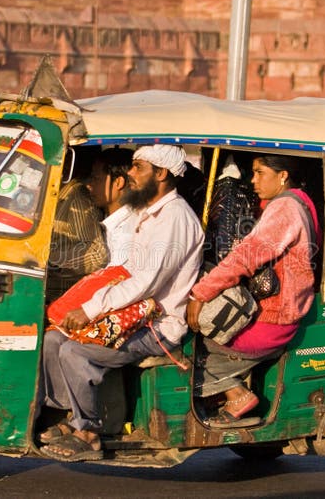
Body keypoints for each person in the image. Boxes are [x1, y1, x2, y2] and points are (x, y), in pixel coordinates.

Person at [40, 144, 204, 461]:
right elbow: (124, 271)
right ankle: (68, 416)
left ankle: (89, 433)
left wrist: (90, 309)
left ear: (161, 174)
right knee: (52, 339)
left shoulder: (175, 218)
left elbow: (145, 283)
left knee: (75, 352)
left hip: (157, 326)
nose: (130, 174)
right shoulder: (147, 212)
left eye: (138, 167)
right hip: (130, 313)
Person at [186, 155, 321, 428]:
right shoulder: (300, 201)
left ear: (283, 175)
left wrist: (200, 293)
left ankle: (236, 394)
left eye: (260, 173)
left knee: (190, 343)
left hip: (273, 319)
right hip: (282, 312)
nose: (253, 180)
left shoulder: (285, 208)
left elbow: (247, 256)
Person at [85, 147, 135, 266]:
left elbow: (113, 274)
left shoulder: (128, 231)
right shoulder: (103, 218)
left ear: (118, 183)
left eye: (96, 179)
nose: (89, 185)